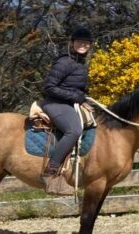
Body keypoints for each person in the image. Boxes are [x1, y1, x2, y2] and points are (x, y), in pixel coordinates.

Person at [40, 27, 93, 188]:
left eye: (86, 43)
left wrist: (84, 98)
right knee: (74, 130)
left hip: (70, 103)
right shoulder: (65, 62)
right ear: (72, 43)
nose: (83, 45)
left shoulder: (80, 62)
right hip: (55, 103)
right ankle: (52, 168)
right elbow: (49, 87)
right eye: (79, 42)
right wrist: (77, 97)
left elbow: (74, 87)